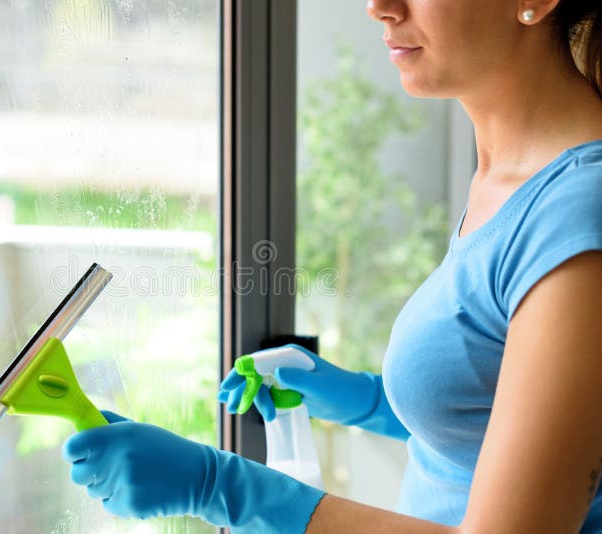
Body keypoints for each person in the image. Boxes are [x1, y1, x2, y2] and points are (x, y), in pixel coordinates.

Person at [62, 1, 602, 532]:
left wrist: (219, 487)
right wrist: (368, 400)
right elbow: (509, 422)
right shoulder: (515, 176)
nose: (380, 8)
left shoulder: (578, 214)